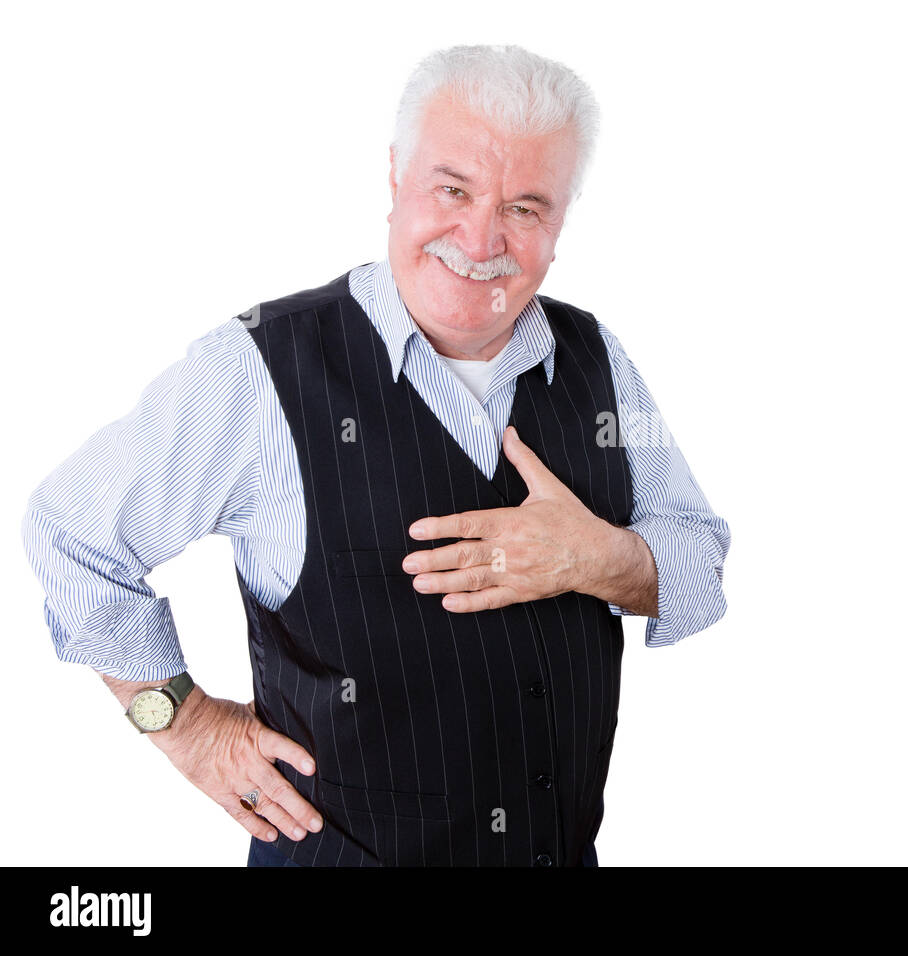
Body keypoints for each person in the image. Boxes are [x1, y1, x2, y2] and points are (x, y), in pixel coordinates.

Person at [21, 44, 730, 867]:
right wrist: (184, 726)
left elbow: (700, 565)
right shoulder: (256, 370)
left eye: (525, 207)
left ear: (560, 223)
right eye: (453, 188)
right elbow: (71, 534)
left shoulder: (600, 360)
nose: (481, 236)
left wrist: (603, 557)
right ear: (395, 176)